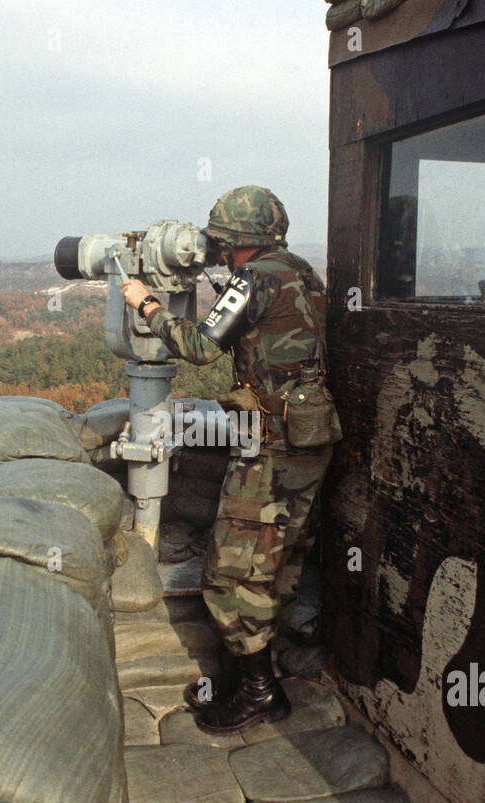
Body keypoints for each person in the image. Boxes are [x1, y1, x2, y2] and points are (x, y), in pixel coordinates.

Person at [120, 185, 341, 734]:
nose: (218, 252)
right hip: (309, 435)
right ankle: (255, 678)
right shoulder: (304, 273)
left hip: (270, 441)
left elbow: (198, 348)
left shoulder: (253, 278)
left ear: (241, 242)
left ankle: (261, 692)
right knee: (282, 562)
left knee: (229, 572)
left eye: (223, 243)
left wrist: (145, 303)